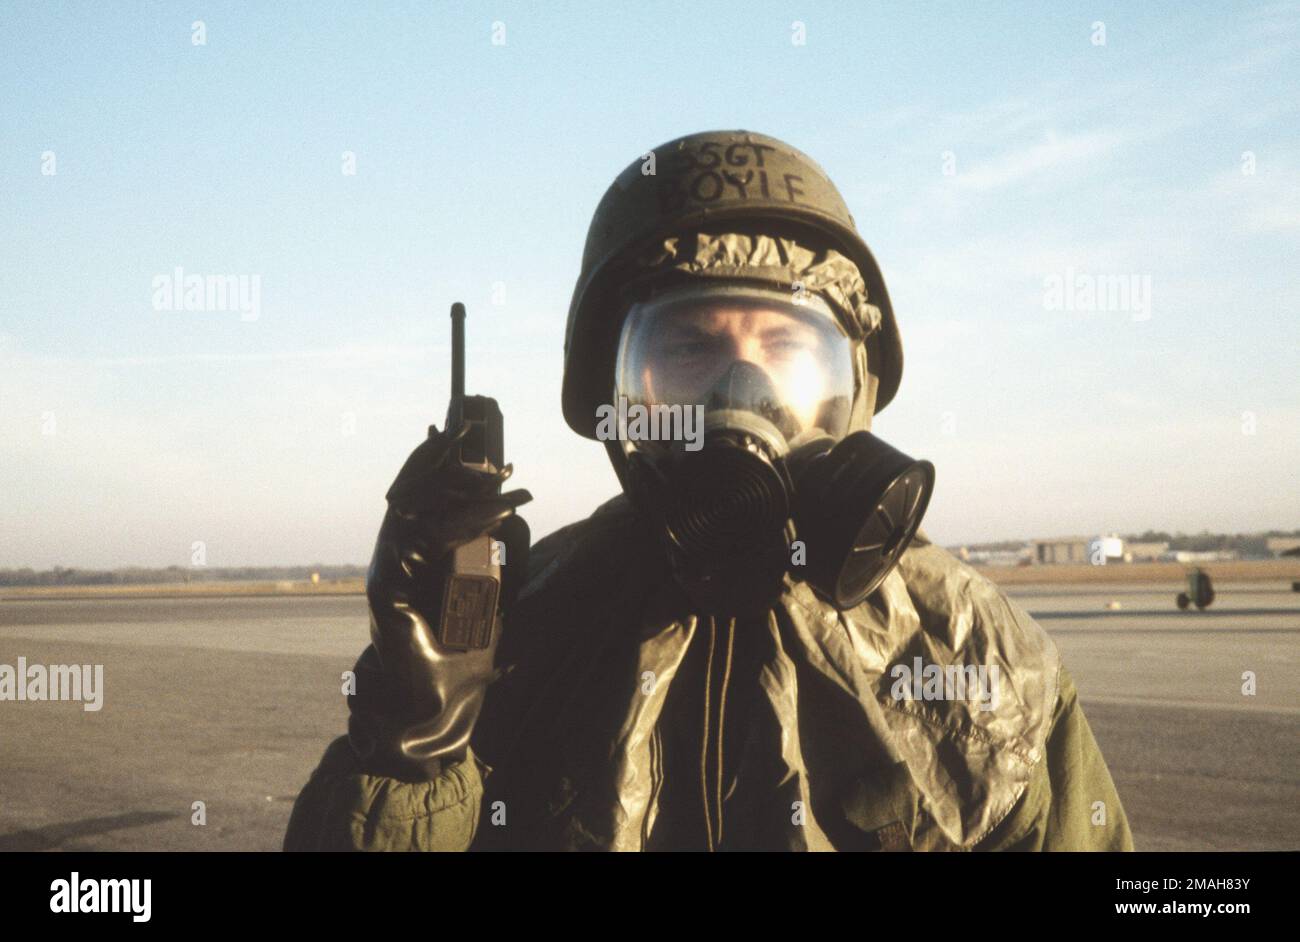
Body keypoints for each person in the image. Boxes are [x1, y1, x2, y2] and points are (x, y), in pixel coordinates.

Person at [283, 130, 1134, 852]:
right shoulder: (524, 631)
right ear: (623, 398)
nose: (742, 397)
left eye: (786, 352)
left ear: (852, 386)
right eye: (691, 350)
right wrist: (411, 748)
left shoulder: (975, 653)